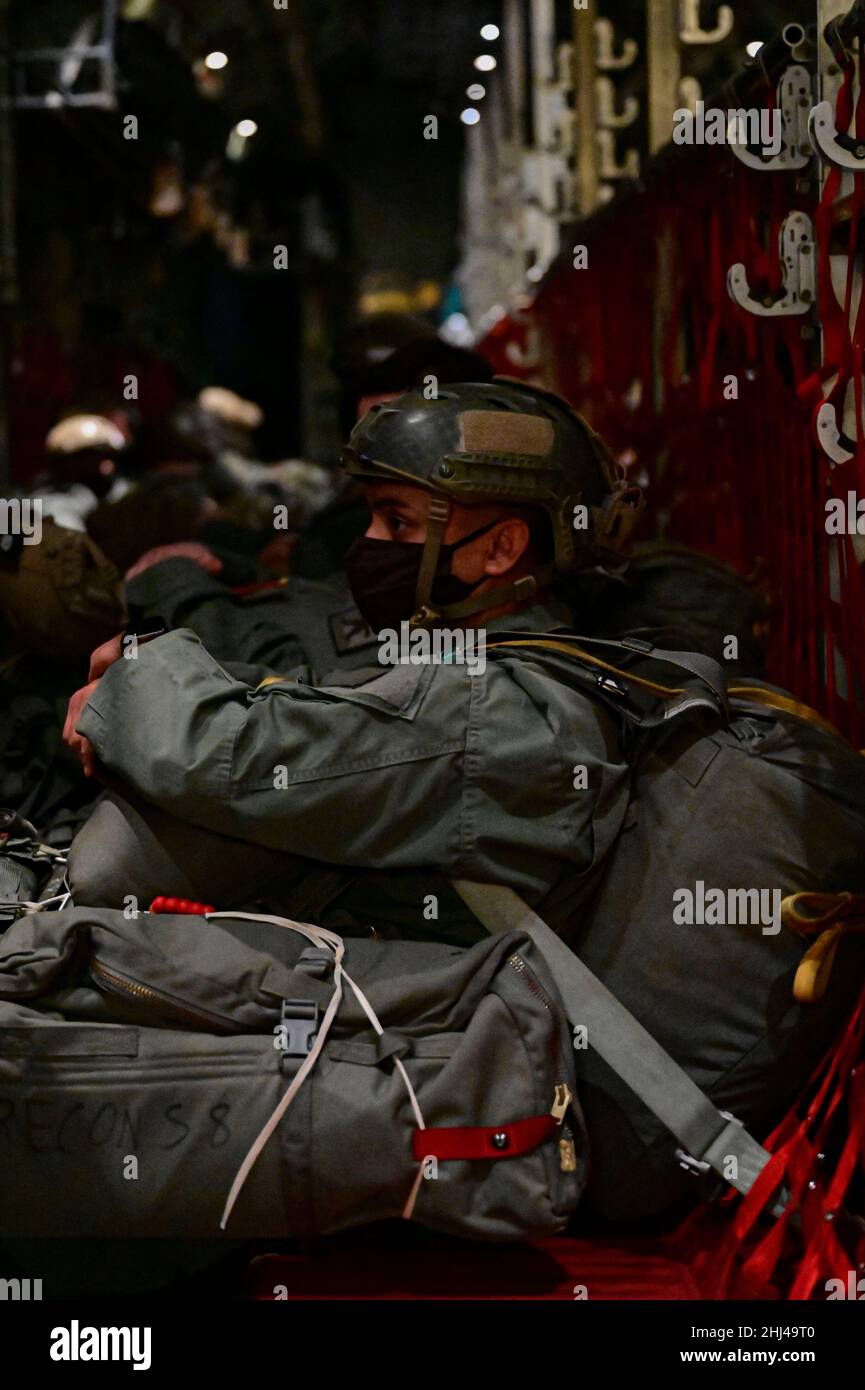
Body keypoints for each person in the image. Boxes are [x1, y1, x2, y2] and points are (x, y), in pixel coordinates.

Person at [64, 380, 643, 944]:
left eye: (398, 522)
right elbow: (316, 699)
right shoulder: (482, 669)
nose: (367, 545)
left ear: (500, 549)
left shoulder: (495, 712)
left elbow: (233, 755)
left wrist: (138, 673)